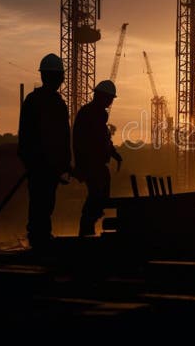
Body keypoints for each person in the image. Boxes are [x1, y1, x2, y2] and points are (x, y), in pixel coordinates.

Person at [18, 53, 71, 250]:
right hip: (41, 164)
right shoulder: (42, 102)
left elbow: (63, 137)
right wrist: (33, 161)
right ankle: (38, 238)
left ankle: (40, 236)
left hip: (47, 165)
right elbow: (27, 136)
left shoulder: (47, 102)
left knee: (45, 202)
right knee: (41, 202)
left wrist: (64, 163)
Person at [73, 80, 123, 237]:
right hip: (91, 164)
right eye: (109, 98)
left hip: (96, 164)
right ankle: (86, 228)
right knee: (96, 196)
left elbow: (103, 139)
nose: (110, 102)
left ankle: (89, 226)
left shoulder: (96, 113)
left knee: (100, 195)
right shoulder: (91, 113)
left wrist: (113, 153)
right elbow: (88, 141)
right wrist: (82, 165)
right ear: (101, 96)